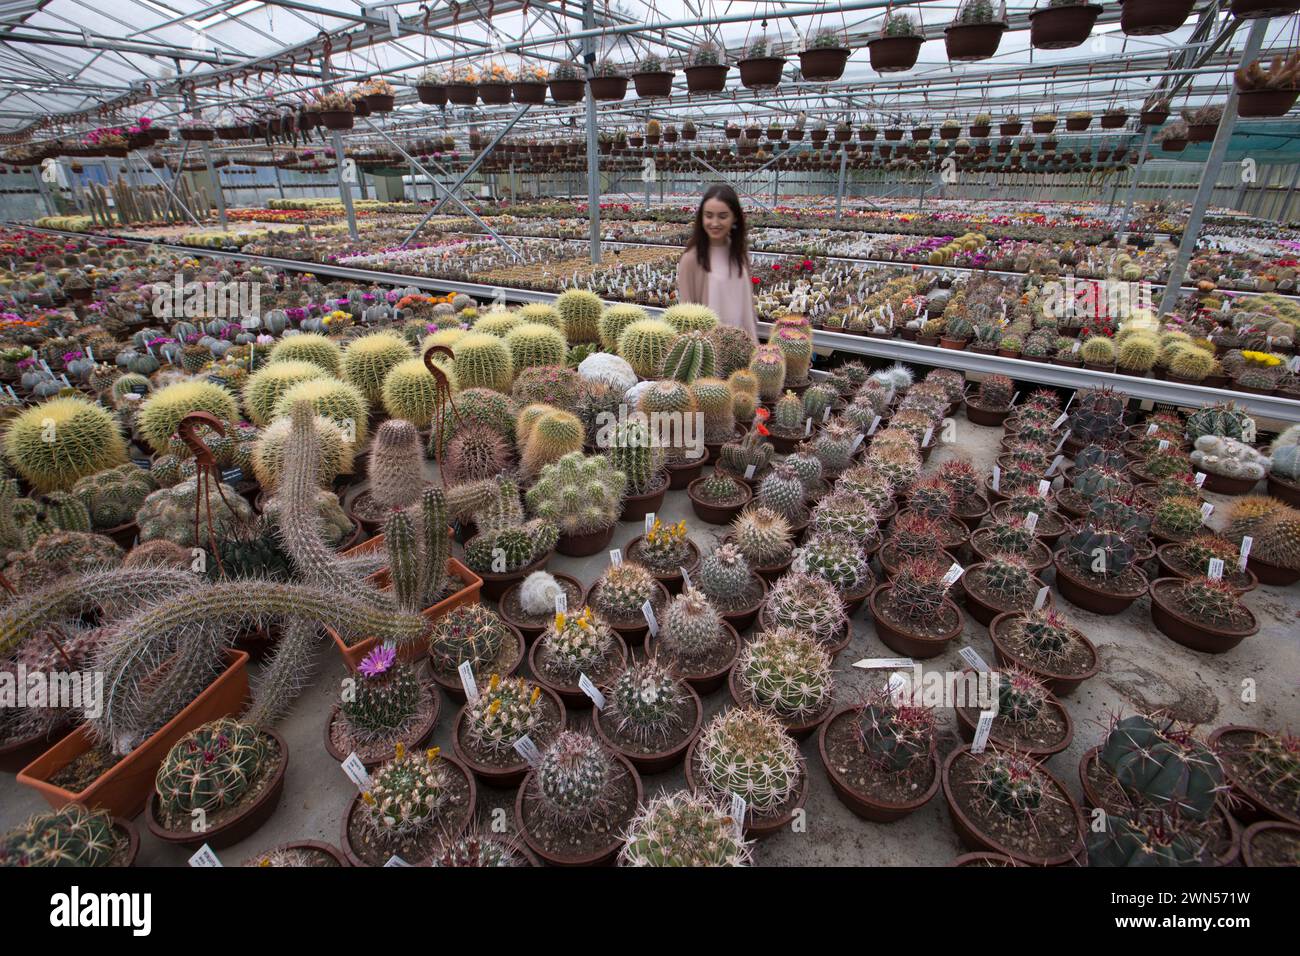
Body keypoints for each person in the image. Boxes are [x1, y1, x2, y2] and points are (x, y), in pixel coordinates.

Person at [675, 184, 759, 340]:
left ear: (734, 217)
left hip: (742, 347)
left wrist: (754, 348)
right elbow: (687, 317)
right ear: (701, 218)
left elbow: (747, 308)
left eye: (722, 216)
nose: (714, 223)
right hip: (711, 353)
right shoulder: (691, 260)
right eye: (708, 215)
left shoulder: (740, 254)